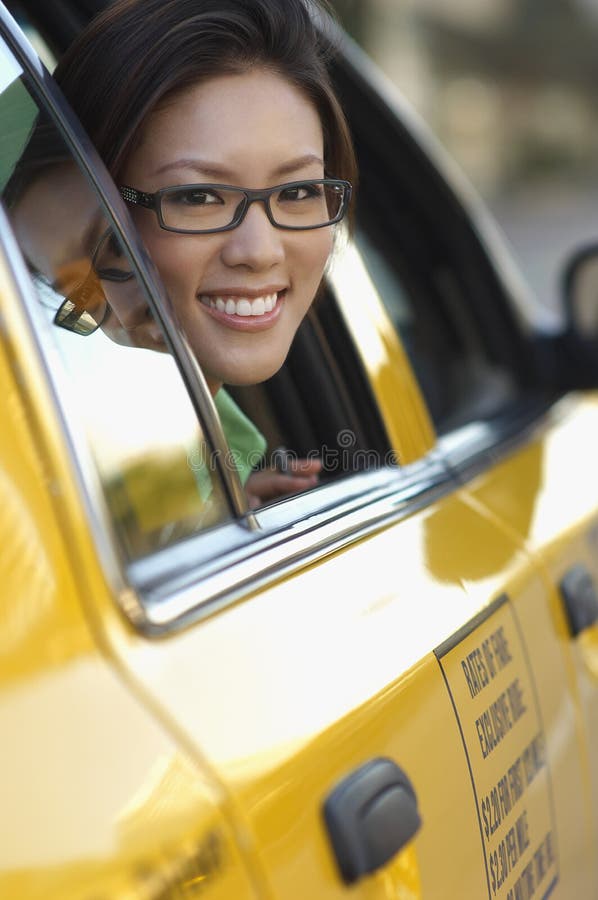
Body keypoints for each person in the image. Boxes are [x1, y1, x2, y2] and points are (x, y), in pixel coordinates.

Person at [20, 0, 357, 507]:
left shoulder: (202, 435)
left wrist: (221, 506)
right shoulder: (50, 447)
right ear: (100, 215)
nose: (260, 251)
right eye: (197, 197)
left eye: (297, 191)